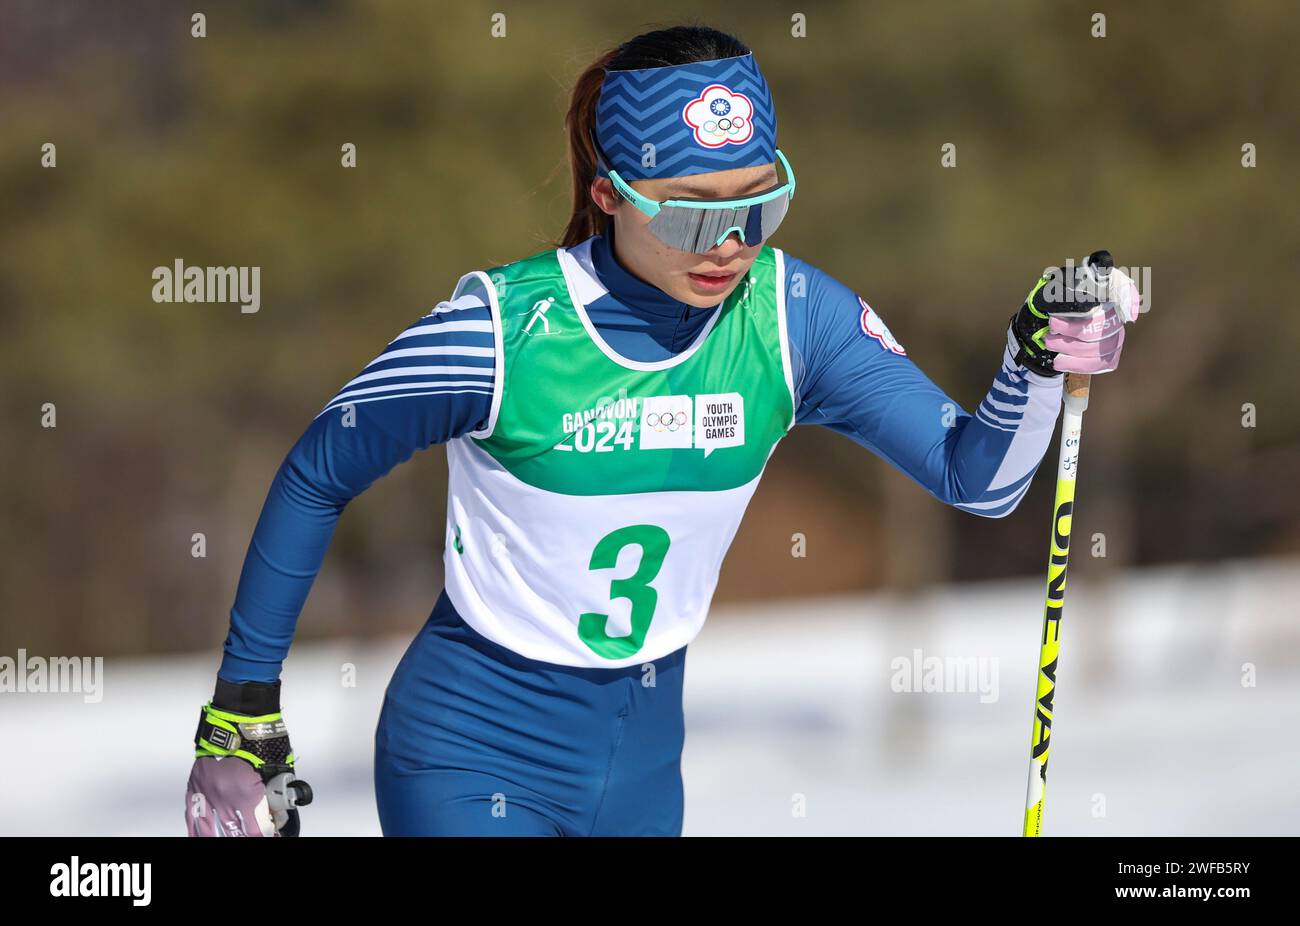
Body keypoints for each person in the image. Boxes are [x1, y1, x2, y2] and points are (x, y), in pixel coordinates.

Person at [185, 24, 1136, 837]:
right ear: (610, 196)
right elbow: (319, 469)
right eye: (690, 215)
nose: (729, 244)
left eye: (759, 204)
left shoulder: (788, 318)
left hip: (642, 766)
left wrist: (1036, 358)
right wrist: (241, 714)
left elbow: (980, 478)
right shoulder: (504, 332)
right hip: (470, 748)